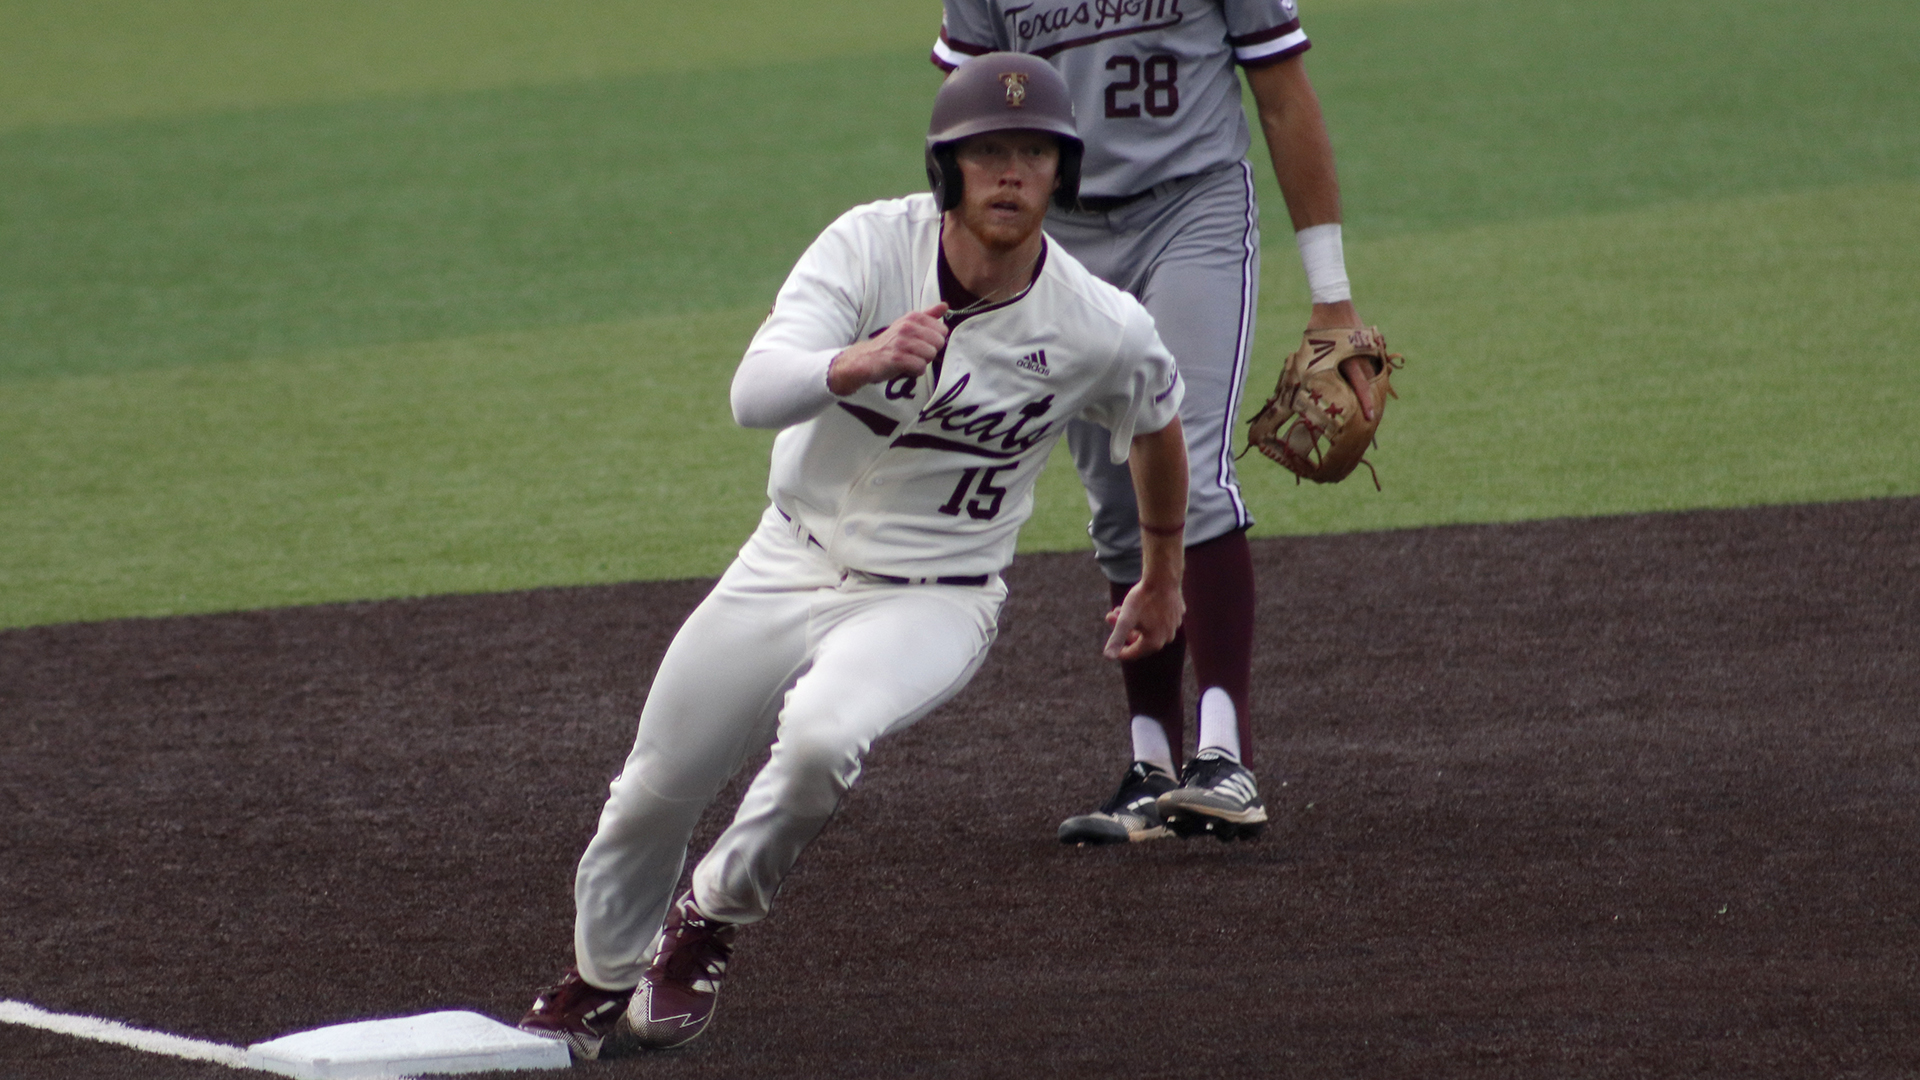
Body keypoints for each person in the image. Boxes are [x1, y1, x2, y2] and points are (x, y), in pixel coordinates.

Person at [516, 52, 1191, 1059]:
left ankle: (710, 916)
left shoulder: (1098, 326)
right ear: (947, 167)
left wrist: (1163, 572)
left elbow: (1157, 423)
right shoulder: (869, 246)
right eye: (988, 152)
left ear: (1065, 172)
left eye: (1035, 153)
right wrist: (856, 361)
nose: (1011, 172)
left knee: (822, 739)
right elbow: (752, 392)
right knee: (654, 789)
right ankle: (601, 979)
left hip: (933, 597)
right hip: (785, 559)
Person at [932, 0, 1379, 844]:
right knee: (1115, 502)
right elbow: (965, 122)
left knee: (1190, 467)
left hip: (1192, 210)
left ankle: (1226, 756)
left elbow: (1282, 92)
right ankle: (1150, 768)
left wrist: (1333, 297)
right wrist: (955, 283)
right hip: (1055, 236)